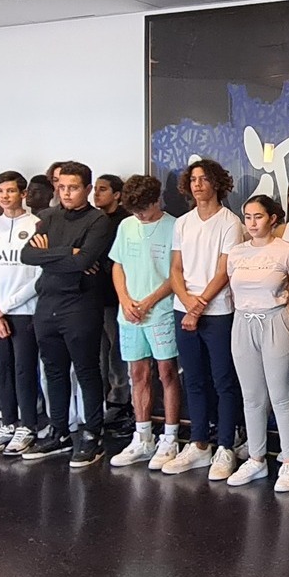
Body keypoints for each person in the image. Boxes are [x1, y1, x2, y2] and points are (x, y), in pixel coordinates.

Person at [20, 161, 114, 468]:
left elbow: (86, 259)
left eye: (73, 188)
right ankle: (59, 431)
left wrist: (64, 256)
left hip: (81, 304)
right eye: (61, 187)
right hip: (47, 303)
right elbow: (28, 254)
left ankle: (93, 435)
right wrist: (67, 252)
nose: (66, 193)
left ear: (86, 189)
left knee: (87, 370)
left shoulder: (98, 220)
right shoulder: (48, 216)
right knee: (53, 370)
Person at [162, 159, 245, 475]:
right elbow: (175, 269)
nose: (197, 185)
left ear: (216, 184)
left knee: (223, 380)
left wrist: (198, 307)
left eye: (203, 179)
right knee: (193, 379)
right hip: (184, 312)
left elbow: (224, 271)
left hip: (218, 312)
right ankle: (198, 443)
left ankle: (225, 446)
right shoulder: (182, 223)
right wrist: (187, 304)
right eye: (193, 179)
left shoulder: (230, 222)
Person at [225, 195, 289, 490]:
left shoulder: (287, 250)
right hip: (243, 322)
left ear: (272, 218)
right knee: (252, 396)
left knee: (281, 395)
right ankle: (256, 458)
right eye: (247, 217)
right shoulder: (236, 253)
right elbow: (233, 293)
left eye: (258, 216)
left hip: (276, 321)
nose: (252, 222)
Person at [105, 175, 183, 470]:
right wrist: (125, 300)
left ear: (157, 200)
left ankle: (170, 438)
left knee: (167, 373)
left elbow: (176, 274)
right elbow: (118, 266)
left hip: (160, 311)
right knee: (137, 373)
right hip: (129, 313)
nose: (139, 215)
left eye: (144, 210)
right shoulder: (126, 226)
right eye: (134, 210)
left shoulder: (175, 226)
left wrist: (149, 301)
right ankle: (143, 437)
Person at [0, 171, 43, 457]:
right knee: (2, 369)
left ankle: (27, 425)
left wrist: (5, 308)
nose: (5, 196)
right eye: (0, 191)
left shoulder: (38, 225)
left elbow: (40, 276)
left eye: (11, 191)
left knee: (24, 369)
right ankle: (8, 423)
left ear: (23, 194)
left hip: (25, 312)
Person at [94, 173, 132, 430]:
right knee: (99, 353)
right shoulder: (93, 219)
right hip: (91, 296)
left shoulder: (125, 222)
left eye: (103, 189)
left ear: (117, 194)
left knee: (118, 351)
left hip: (117, 295)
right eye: (95, 189)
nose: (96, 194)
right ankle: (103, 400)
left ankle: (120, 401)